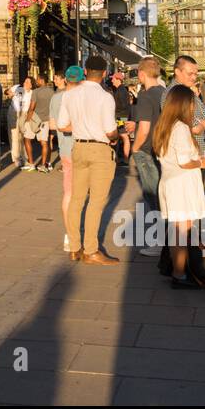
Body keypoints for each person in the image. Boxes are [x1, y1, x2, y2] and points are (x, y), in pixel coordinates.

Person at [56, 56, 121, 266]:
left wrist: (82, 126)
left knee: (76, 198)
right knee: (96, 202)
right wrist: (116, 136)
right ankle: (91, 250)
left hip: (78, 147)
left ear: (85, 70)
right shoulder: (105, 97)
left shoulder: (69, 95)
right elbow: (110, 130)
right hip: (100, 150)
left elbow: (62, 125)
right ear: (104, 73)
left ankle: (75, 247)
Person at [153, 85, 205, 288]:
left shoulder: (164, 125)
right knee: (181, 233)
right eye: (193, 102)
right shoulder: (181, 128)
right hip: (181, 184)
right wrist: (201, 163)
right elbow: (184, 161)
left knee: (177, 231)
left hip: (171, 182)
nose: (195, 106)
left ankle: (177, 271)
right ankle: (180, 274)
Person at [127, 57, 166, 258]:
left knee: (152, 196)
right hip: (161, 148)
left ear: (141, 74)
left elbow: (144, 128)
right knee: (162, 196)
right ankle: (167, 240)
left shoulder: (145, 95)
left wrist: (135, 148)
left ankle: (160, 242)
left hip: (147, 149)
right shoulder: (163, 93)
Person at [49, 69, 79, 253]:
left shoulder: (56, 98)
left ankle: (69, 234)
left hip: (65, 150)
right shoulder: (80, 98)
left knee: (68, 193)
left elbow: (52, 125)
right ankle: (80, 234)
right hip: (82, 150)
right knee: (83, 194)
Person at [26, 75, 55, 172]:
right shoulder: (52, 92)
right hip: (45, 120)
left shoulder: (35, 92)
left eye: (38, 79)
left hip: (34, 119)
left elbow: (31, 107)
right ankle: (43, 165)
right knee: (44, 143)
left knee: (27, 139)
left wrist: (27, 119)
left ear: (42, 80)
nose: (37, 81)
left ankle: (31, 163)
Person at [109, 69, 133, 160]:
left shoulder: (121, 90)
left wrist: (114, 108)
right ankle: (119, 158)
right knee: (120, 137)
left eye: (113, 79)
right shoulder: (120, 89)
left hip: (121, 117)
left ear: (118, 79)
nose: (112, 81)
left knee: (123, 136)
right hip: (121, 117)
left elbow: (123, 106)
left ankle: (125, 158)